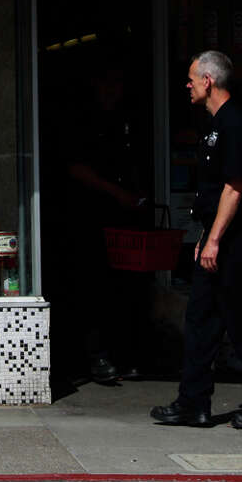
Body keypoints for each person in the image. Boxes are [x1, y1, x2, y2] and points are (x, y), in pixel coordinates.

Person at [150, 51, 242, 430]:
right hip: (214, 239)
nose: (188, 85)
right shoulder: (214, 124)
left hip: (234, 242)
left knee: (241, 322)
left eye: (192, 79)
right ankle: (193, 403)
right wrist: (203, 239)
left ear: (208, 81)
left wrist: (213, 241)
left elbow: (234, 187)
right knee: (201, 320)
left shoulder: (235, 124)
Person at [65, 66, 153, 385]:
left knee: (123, 287)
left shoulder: (125, 121)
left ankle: (124, 353)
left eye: (119, 83)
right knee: (92, 286)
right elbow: (75, 168)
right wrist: (116, 193)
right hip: (89, 217)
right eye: (109, 82)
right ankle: (94, 354)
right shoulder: (83, 120)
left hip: (123, 218)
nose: (114, 90)